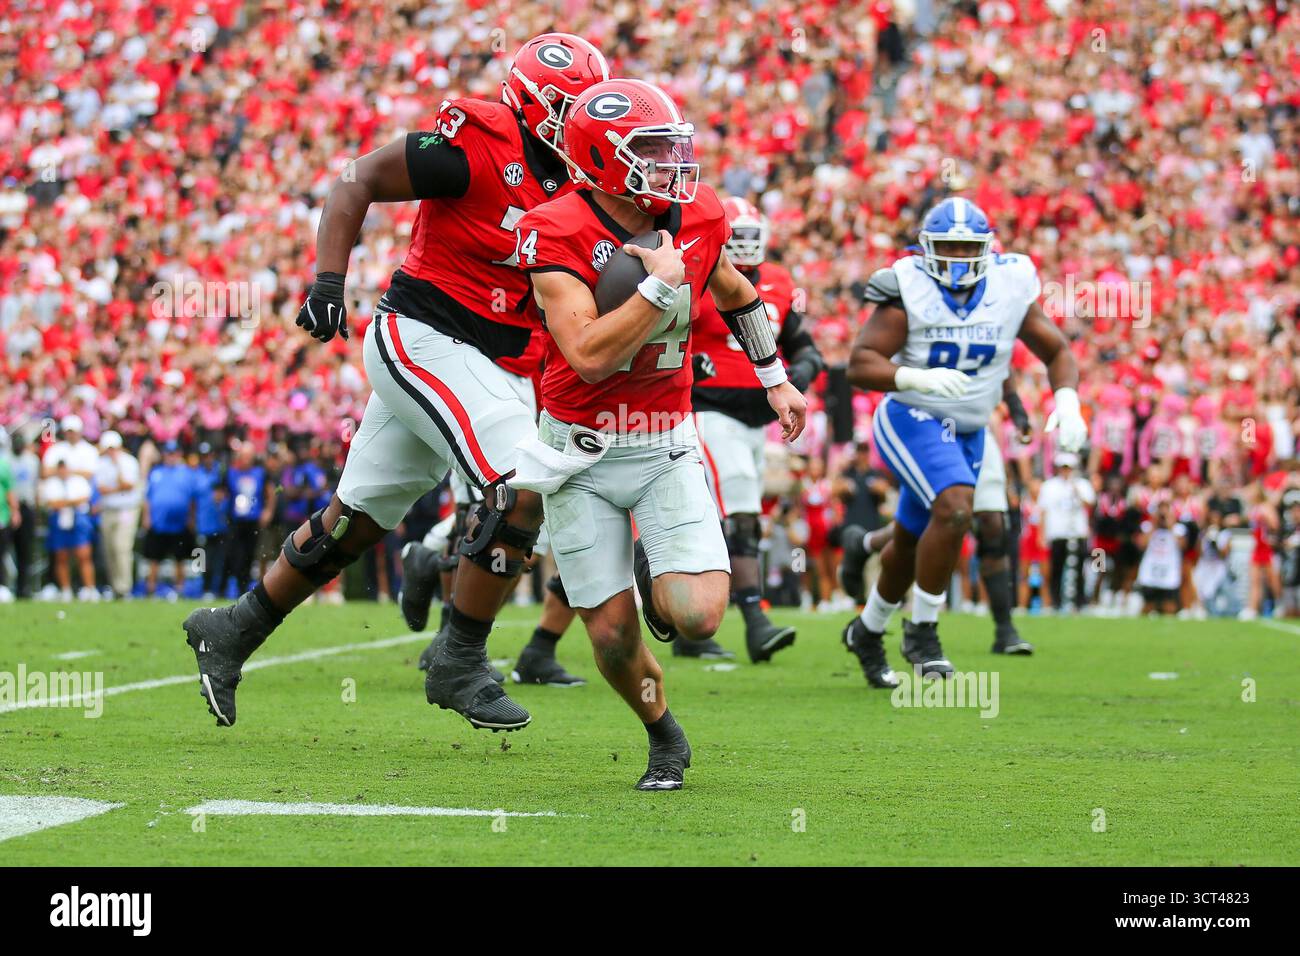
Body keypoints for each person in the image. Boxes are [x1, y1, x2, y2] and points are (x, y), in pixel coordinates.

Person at [184, 34, 610, 731]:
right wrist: (329, 279)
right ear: (532, 106)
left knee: (354, 521)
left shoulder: (586, 186)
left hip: (499, 359)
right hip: (425, 333)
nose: (579, 126)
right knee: (522, 480)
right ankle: (460, 659)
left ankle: (231, 629)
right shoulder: (479, 143)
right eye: (567, 110)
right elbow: (357, 178)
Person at [512, 78, 806, 789]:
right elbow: (586, 353)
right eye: (652, 149)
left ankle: (655, 569)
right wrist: (656, 289)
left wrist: (774, 376)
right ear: (600, 156)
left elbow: (738, 295)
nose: (672, 164)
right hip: (577, 450)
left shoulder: (698, 213)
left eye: (675, 146)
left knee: (700, 618)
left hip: (663, 440)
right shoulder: (555, 228)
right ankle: (664, 737)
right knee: (611, 638)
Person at [838, 196, 1086, 686]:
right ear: (927, 249)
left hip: (969, 427)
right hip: (913, 415)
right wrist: (915, 378)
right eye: (946, 247)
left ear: (987, 249)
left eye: (965, 247)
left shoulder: (1011, 285)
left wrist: (1068, 401)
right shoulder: (906, 285)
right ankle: (923, 631)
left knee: (911, 541)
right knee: (955, 508)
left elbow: (1055, 348)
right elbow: (860, 362)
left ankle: (867, 631)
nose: (955, 257)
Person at [690, 195, 823, 661]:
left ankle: (687, 622)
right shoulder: (698, 270)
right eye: (735, 236)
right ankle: (754, 620)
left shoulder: (782, 284)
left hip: (758, 421)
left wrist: (793, 379)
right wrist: (691, 362)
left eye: (751, 237)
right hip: (705, 411)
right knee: (741, 507)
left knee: (719, 515)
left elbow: (806, 348)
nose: (743, 246)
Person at [839, 374, 1036, 656]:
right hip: (928, 423)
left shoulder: (995, 332)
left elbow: (999, 359)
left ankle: (1004, 628)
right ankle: (899, 616)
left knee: (993, 526)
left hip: (976, 427)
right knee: (927, 525)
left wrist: (1015, 406)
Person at [1037, 451, 1096, 613]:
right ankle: (1055, 602)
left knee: (1078, 568)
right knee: (1056, 568)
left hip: (1077, 532)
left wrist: (1076, 490)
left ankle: (1080, 602)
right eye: (1063, 468)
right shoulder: (1049, 486)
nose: (1066, 471)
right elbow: (1043, 510)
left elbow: (1089, 505)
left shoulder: (1082, 484)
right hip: (1057, 532)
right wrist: (1041, 533)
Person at [141, 441, 196, 596]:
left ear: (179, 454)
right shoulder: (156, 472)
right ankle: (150, 590)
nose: (171, 456)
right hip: (158, 523)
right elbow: (148, 498)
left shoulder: (186, 473)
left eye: (174, 453)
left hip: (179, 524)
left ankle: (179, 589)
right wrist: (147, 517)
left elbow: (192, 499)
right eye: (168, 453)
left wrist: (191, 519)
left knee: (180, 558)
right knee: (154, 558)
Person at [39, 452, 97, 601]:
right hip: (59, 520)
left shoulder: (78, 481)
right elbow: (51, 503)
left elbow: (84, 499)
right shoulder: (52, 483)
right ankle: (65, 589)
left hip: (78, 520)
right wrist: (70, 502)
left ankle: (89, 588)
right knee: (61, 556)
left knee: (84, 555)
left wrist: (64, 503)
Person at [95, 430, 141, 598]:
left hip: (126, 509)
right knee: (109, 549)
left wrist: (118, 469)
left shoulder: (129, 462)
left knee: (121, 546)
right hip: (108, 510)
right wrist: (118, 488)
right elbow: (101, 489)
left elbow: (128, 485)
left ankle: (124, 587)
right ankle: (115, 586)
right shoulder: (101, 463)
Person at [193, 442, 230, 600]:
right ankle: (205, 587)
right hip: (203, 523)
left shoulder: (221, 471)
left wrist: (222, 497)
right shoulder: (197, 474)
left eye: (208, 455)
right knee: (203, 558)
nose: (206, 459)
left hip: (220, 523)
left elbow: (228, 491)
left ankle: (220, 589)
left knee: (220, 558)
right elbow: (192, 500)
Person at [0, 429, 17, 602]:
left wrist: (15, 511)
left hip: (1, 516)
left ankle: (2, 585)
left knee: (2, 553)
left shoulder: (3, 465)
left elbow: (9, 491)